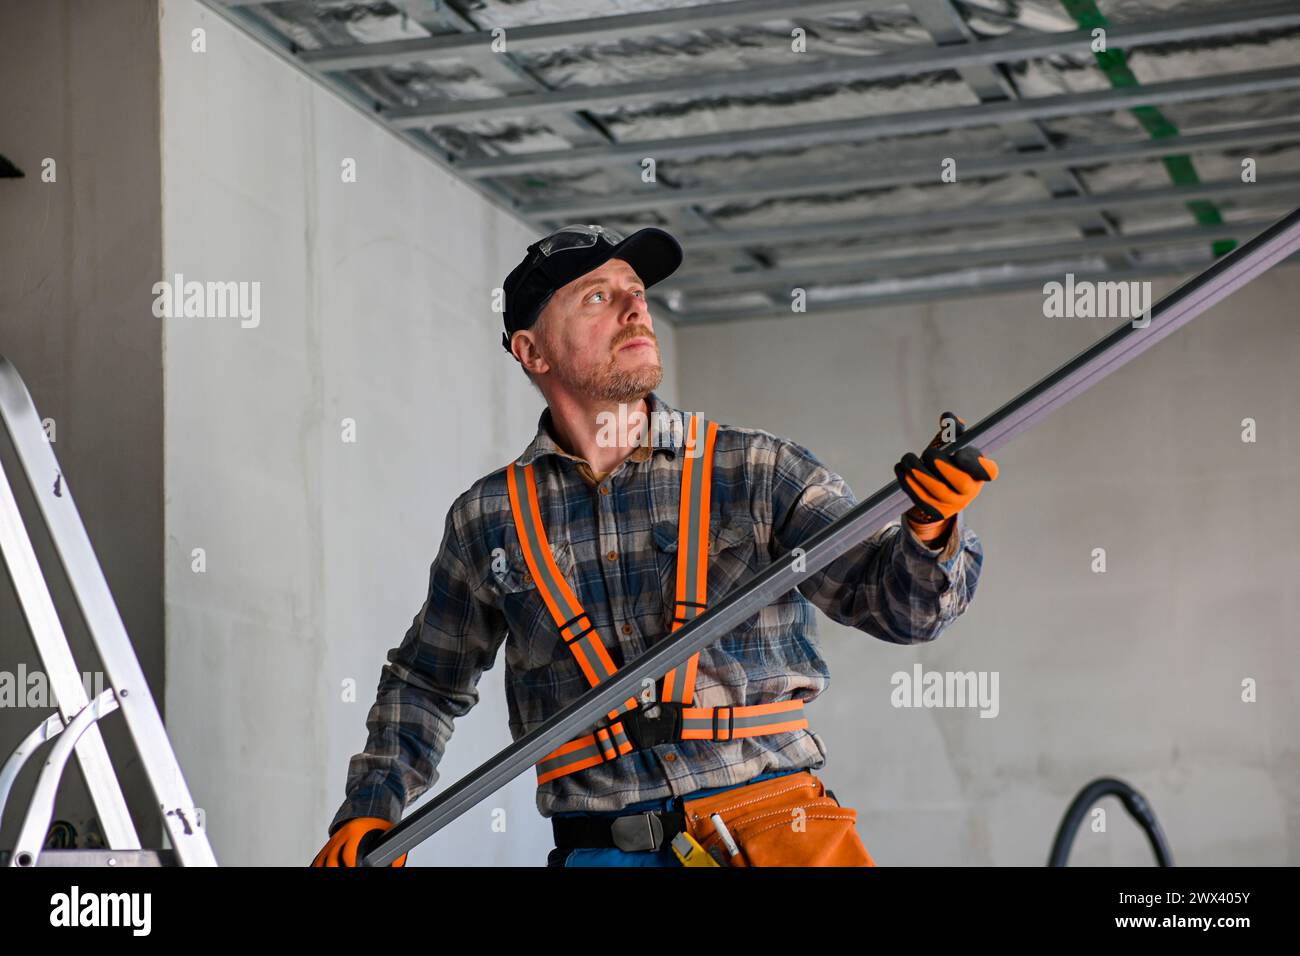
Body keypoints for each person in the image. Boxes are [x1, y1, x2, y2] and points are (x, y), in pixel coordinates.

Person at [310, 223, 998, 868]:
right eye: (598, 297)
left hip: (772, 827)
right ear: (531, 350)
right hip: (599, 850)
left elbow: (904, 612)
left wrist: (930, 528)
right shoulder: (488, 518)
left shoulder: (757, 469)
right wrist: (373, 806)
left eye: (636, 294)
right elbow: (427, 681)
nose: (634, 309)